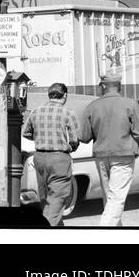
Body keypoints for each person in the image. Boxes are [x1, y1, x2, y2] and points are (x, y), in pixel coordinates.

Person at [80, 72, 139, 227]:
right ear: (120, 86)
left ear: (102, 87)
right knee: (116, 199)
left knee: (110, 199)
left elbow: (84, 136)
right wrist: (136, 147)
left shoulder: (92, 106)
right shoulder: (130, 104)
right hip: (124, 155)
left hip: (101, 156)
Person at [21, 82, 82, 226]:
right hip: (59, 158)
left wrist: (40, 139)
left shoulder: (35, 111)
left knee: (45, 197)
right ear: (64, 95)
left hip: (40, 158)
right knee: (58, 198)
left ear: (49, 95)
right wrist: (69, 147)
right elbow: (75, 139)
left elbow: (26, 132)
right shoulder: (68, 113)